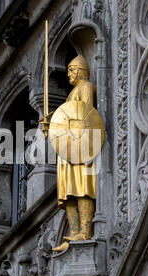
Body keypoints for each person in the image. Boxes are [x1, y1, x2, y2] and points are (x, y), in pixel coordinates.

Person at [52, 55, 98, 252]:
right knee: (68, 192)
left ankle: (86, 231)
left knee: (81, 187)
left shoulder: (85, 87)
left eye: (72, 69)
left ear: (82, 70)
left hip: (80, 145)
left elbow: (85, 114)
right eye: (69, 70)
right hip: (67, 147)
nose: (69, 74)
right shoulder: (71, 93)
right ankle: (74, 231)